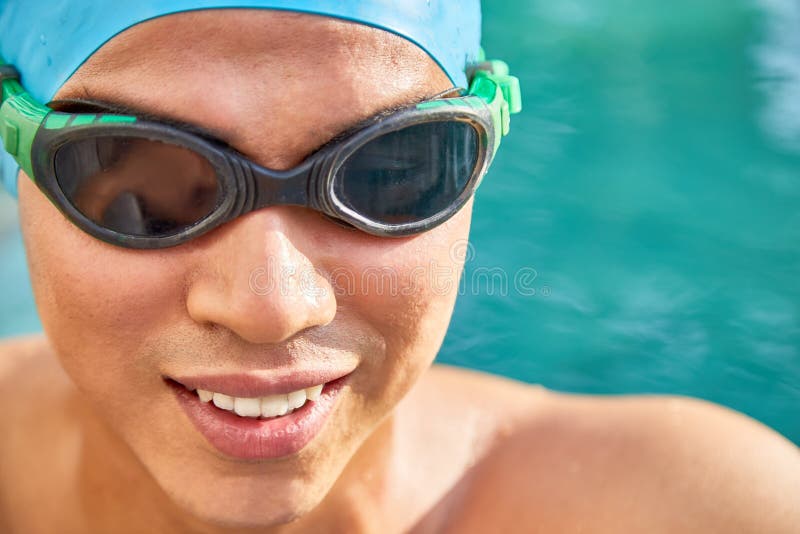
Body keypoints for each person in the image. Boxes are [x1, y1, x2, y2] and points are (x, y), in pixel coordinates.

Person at [0, 2, 798, 533]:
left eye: (386, 169)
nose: (271, 307)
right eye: (142, 184)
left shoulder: (700, 511)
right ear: (19, 169)